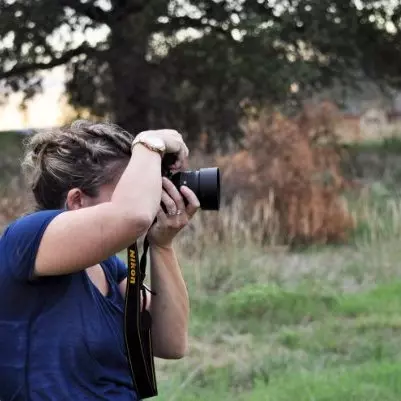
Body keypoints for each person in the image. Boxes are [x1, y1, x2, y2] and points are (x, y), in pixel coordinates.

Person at [0, 120, 200, 400]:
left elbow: (171, 342)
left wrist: (162, 245)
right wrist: (149, 141)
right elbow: (133, 215)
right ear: (77, 201)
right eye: (127, 189)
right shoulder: (26, 236)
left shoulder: (108, 268)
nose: (147, 197)